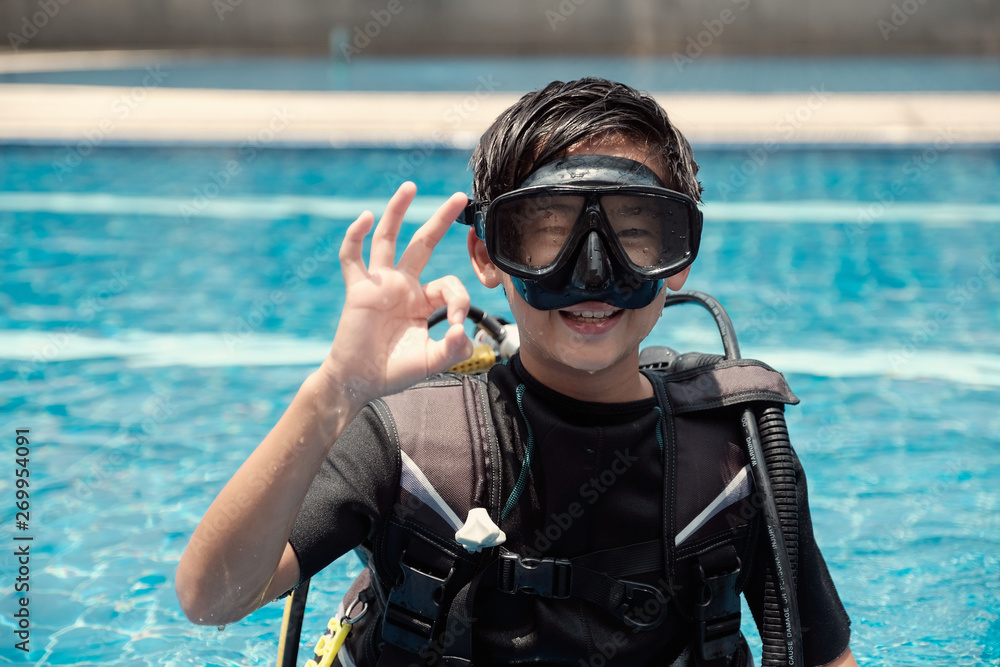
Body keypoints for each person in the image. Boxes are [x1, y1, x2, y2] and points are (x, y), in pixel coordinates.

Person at [176, 78, 857, 667]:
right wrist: (333, 393)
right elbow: (211, 599)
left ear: (679, 257)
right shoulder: (409, 447)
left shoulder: (738, 457)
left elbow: (826, 655)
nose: (593, 273)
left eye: (635, 231)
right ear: (488, 254)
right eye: (548, 231)